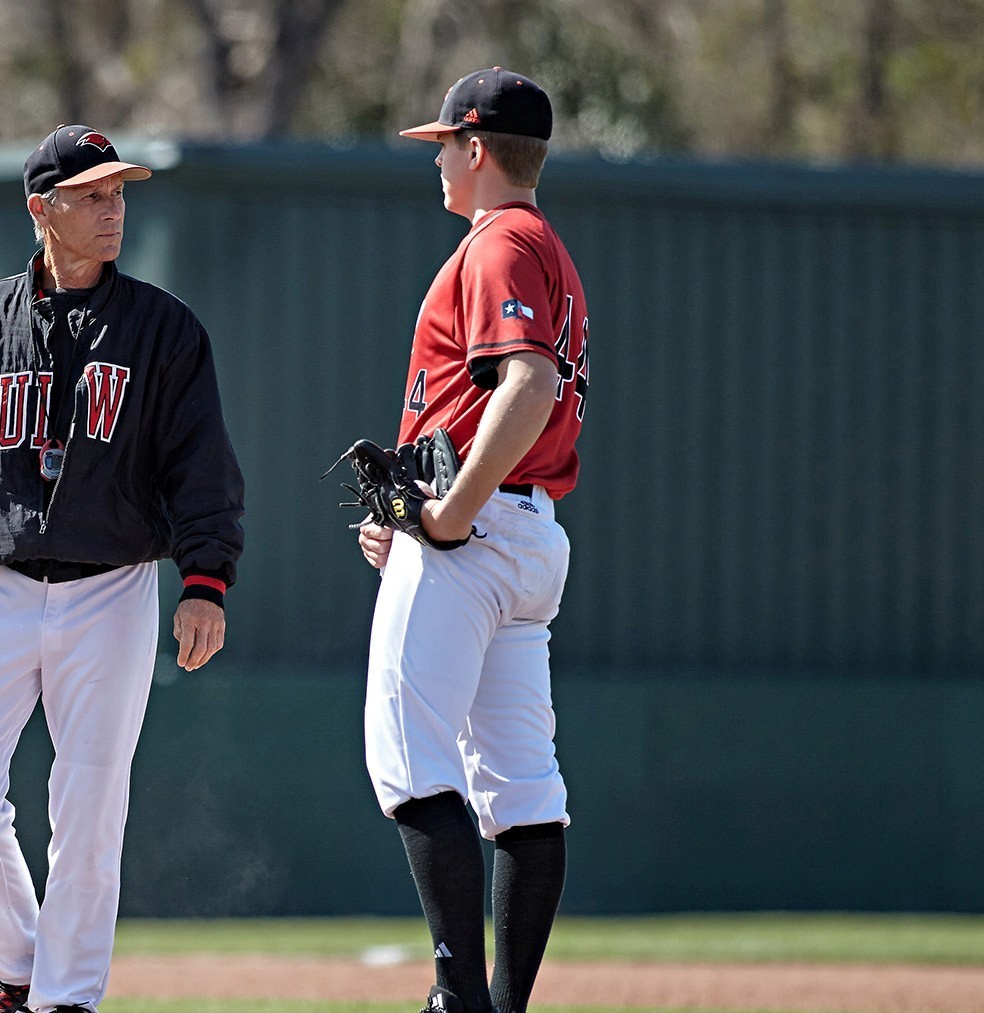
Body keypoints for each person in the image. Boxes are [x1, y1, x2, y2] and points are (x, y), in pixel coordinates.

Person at [0, 126, 245, 1013]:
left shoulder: (165, 329)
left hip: (114, 585)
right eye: (92, 195)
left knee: (90, 807)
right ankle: (23, 965)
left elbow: (201, 467)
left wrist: (205, 581)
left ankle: (64, 998)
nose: (114, 209)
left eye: (119, 193)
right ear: (42, 210)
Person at [360, 68, 591, 1013]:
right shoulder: (549, 248)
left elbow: (527, 384)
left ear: (478, 146)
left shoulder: (499, 242)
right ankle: (501, 1005)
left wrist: (445, 514)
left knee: (410, 760)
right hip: (528, 530)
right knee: (523, 783)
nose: (439, 162)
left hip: (479, 534)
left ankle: (460, 997)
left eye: (445, 144)